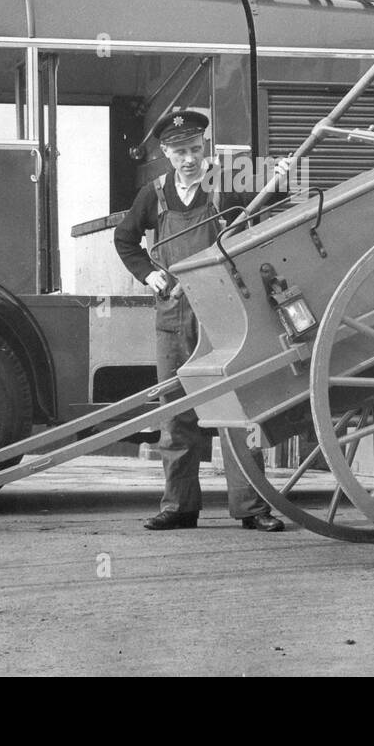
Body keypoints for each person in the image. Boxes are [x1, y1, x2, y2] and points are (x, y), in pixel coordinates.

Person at [114, 108, 285, 533]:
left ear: (204, 147)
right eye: (179, 152)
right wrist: (148, 273)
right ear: (166, 155)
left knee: (237, 409)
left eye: (194, 149)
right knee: (176, 414)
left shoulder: (227, 184)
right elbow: (125, 239)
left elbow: (272, 209)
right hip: (174, 314)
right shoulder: (153, 194)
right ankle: (179, 507)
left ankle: (252, 508)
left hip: (224, 315)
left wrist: (281, 180)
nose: (188, 159)